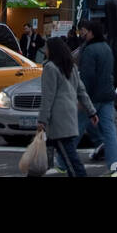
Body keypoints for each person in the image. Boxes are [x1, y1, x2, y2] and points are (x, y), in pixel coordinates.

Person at [37, 36, 98, 177]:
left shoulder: (50, 68)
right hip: (69, 117)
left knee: (70, 160)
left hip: (58, 121)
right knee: (62, 156)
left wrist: (42, 120)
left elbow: (48, 97)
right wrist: (92, 112)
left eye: (46, 48)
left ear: (52, 50)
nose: (45, 51)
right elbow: (81, 91)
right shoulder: (71, 67)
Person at [76, 20, 117, 173]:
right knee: (110, 132)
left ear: (91, 32)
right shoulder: (107, 48)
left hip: (92, 97)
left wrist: (82, 99)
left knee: (76, 129)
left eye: (84, 31)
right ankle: (115, 166)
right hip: (107, 95)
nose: (82, 34)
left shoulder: (89, 50)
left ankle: (62, 162)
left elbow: (87, 77)